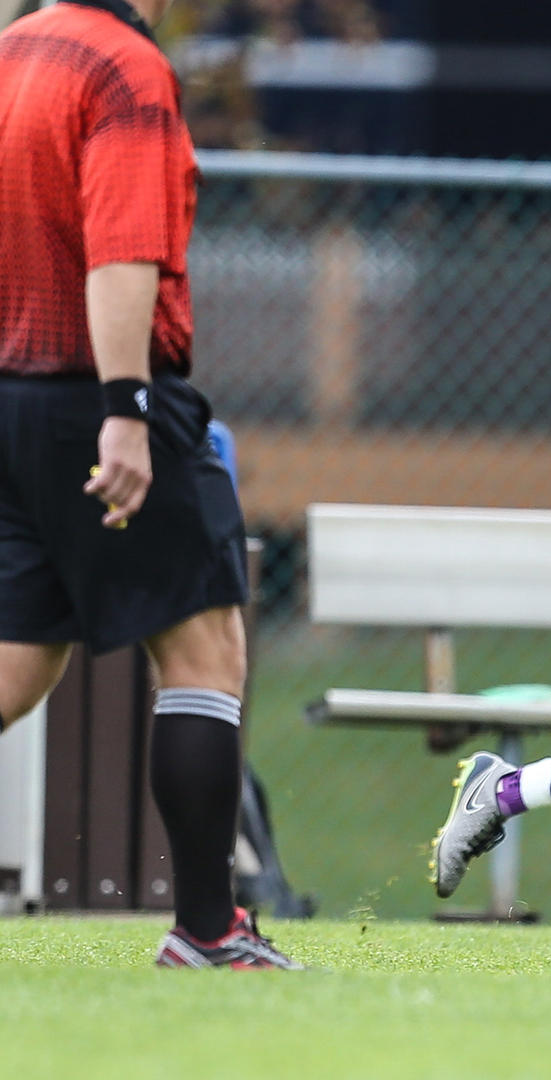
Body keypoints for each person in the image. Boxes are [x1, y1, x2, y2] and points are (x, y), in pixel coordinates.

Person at [0, 0, 297, 968]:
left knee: (12, 669)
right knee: (206, 652)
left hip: (7, 401)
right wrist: (124, 408)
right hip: (101, 397)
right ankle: (210, 930)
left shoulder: (13, 51)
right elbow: (121, 250)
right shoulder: (123, 67)